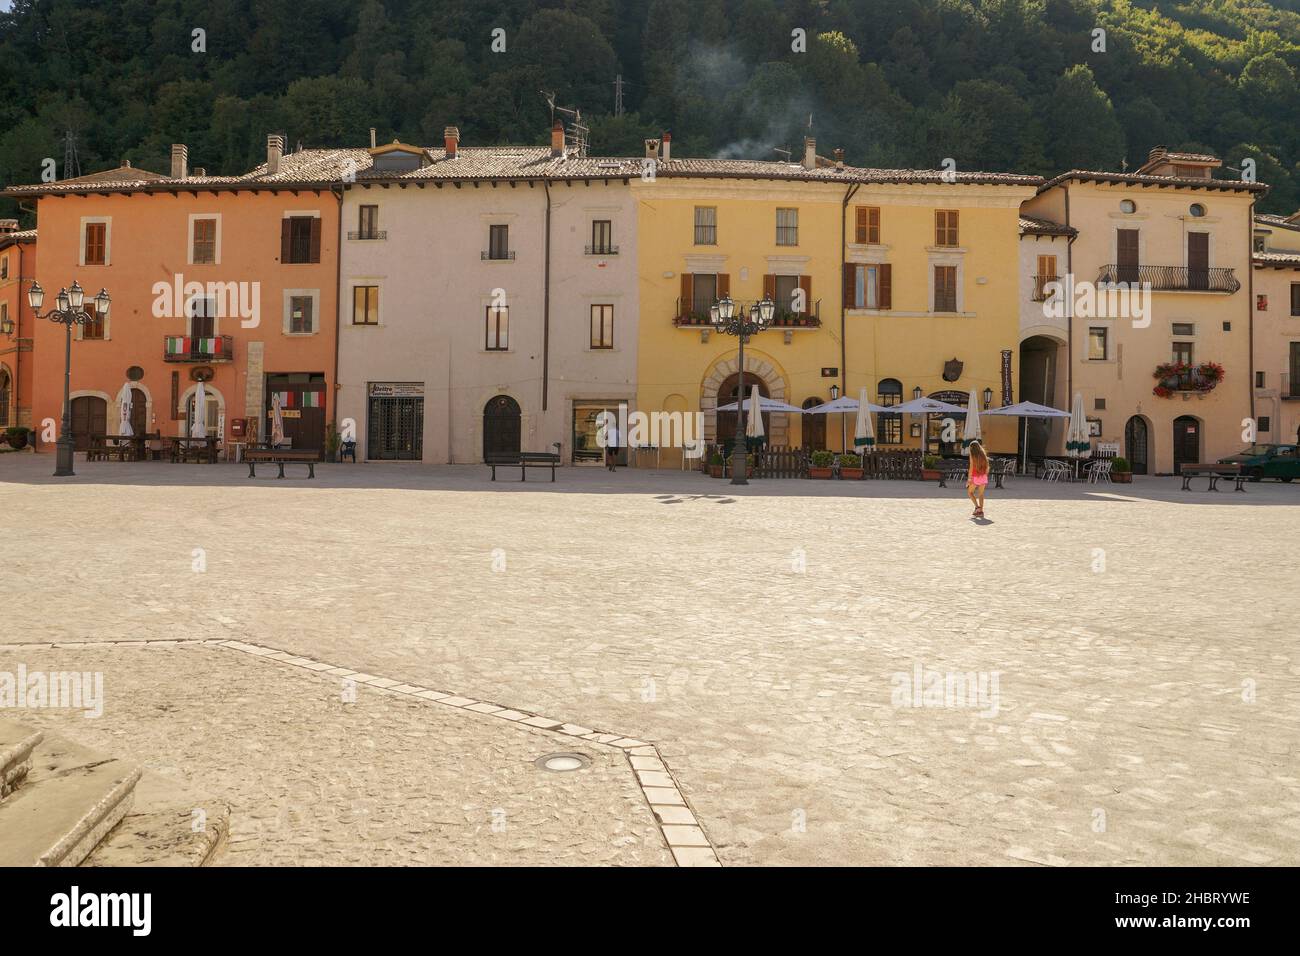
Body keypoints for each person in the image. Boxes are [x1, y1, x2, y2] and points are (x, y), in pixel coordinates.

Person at [967, 440, 990, 518]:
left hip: (975, 476)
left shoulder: (972, 455)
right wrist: (985, 475)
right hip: (983, 476)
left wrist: (969, 478)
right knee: (981, 494)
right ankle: (981, 511)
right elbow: (987, 466)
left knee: (970, 492)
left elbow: (971, 467)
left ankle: (977, 507)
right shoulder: (983, 454)